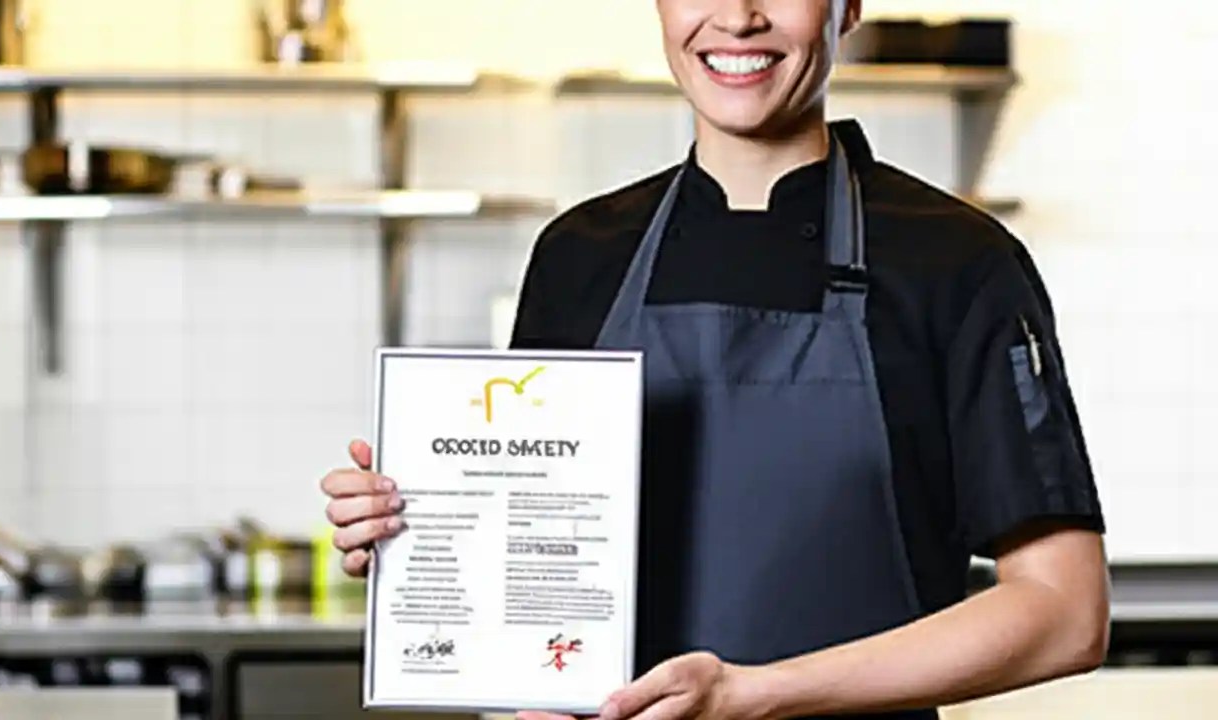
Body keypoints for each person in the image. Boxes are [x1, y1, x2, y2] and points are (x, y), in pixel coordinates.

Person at [320, 1, 1111, 718]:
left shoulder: (958, 264)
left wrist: (757, 695)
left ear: (849, 7)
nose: (737, 17)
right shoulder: (578, 258)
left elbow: (1064, 616)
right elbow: (535, 572)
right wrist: (419, 535)